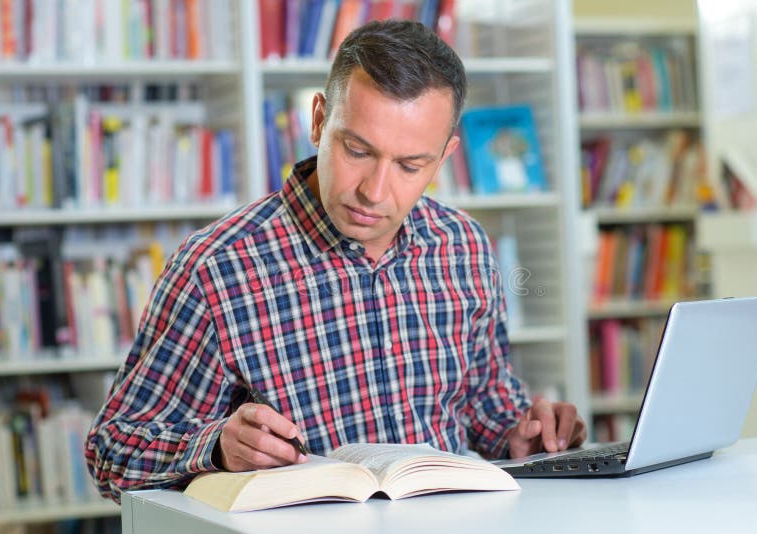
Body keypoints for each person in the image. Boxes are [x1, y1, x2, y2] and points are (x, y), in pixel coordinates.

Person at [86, 19, 586, 502]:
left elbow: (483, 400)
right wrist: (216, 446)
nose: (374, 191)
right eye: (357, 150)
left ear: (445, 156)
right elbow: (111, 453)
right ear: (320, 119)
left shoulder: (464, 246)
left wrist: (521, 434)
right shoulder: (216, 268)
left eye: (411, 165)